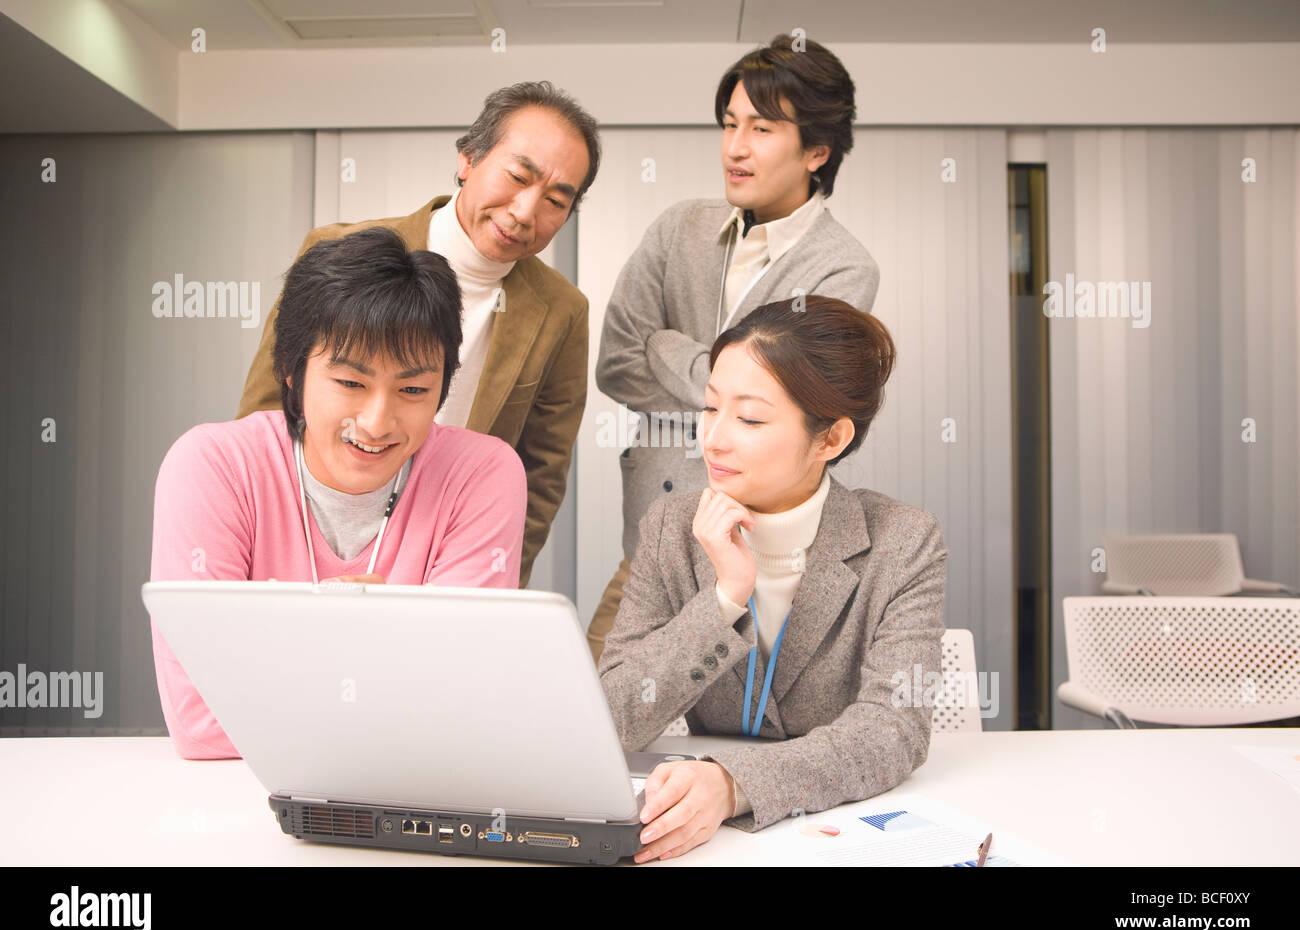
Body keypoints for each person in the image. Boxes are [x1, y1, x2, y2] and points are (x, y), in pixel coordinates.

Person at [150, 228, 527, 759]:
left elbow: (457, 711)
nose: (377, 422)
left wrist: (283, 659)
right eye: (350, 383)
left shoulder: (481, 476)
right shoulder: (213, 467)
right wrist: (377, 657)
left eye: (413, 390)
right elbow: (200, 722)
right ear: (291, 370)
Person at [598, 296, 947, 862]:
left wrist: (733, 782)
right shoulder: (672, 526)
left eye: (750, 418)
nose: (713, 439)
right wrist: (723, 598)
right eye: (711, 408)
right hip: (709, 847)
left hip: (841, 833)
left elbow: (893, 730)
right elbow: (611, 717)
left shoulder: (903, 541)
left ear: (830, 439)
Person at [237, 81, 598, 588]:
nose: (524, 212)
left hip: (445, 552)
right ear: (468, 158)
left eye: (556, 201)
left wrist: (488, 587)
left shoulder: (563, 311)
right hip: (310, 542)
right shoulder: (338, 250)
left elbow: (541, 475)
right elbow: (267, 410)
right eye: (518, 176)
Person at [589, 34, 880, 662]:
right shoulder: (677, 229)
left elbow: (796, 402)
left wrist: (668, 347)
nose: (735, 148)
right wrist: (742, 398)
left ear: (817, 151)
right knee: (596, 722)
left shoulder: (844, 269)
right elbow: (615, 363)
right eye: (729, 124)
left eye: (763, 128)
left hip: (772, 560)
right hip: (650, 556)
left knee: (750, 735)